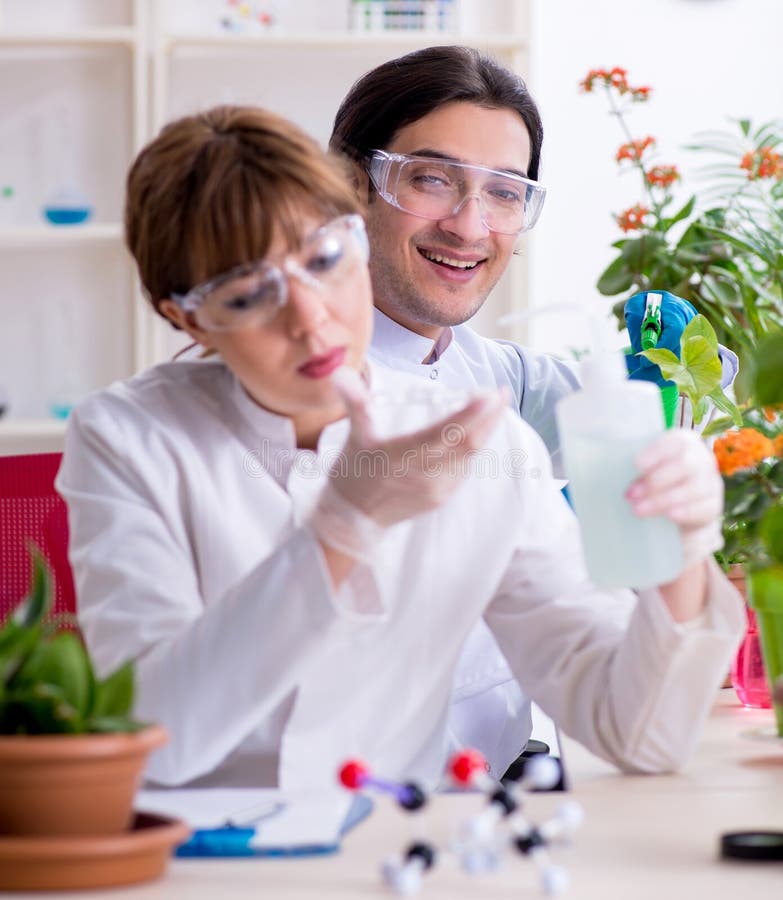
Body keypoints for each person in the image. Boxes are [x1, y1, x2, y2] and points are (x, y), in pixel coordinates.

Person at [56, 105, 742, 791]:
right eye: (247, 296)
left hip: (404, 839)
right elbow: (153, 739)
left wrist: (678, 554)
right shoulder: (128, 437)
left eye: (324, 259)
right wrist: (341, 527)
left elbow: (637, 733)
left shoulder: (478, 438)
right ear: (187, 318)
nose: (310, 318)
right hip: (200, 845)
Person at [329, 45, 739, 774]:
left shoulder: (495, 372)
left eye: (504, 192)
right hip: (360, 800)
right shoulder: (290, 395)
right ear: (352, 185)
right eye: (431, 179)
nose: (469, 226)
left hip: (500, 785)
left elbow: (643, 413)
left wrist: (681, 373)